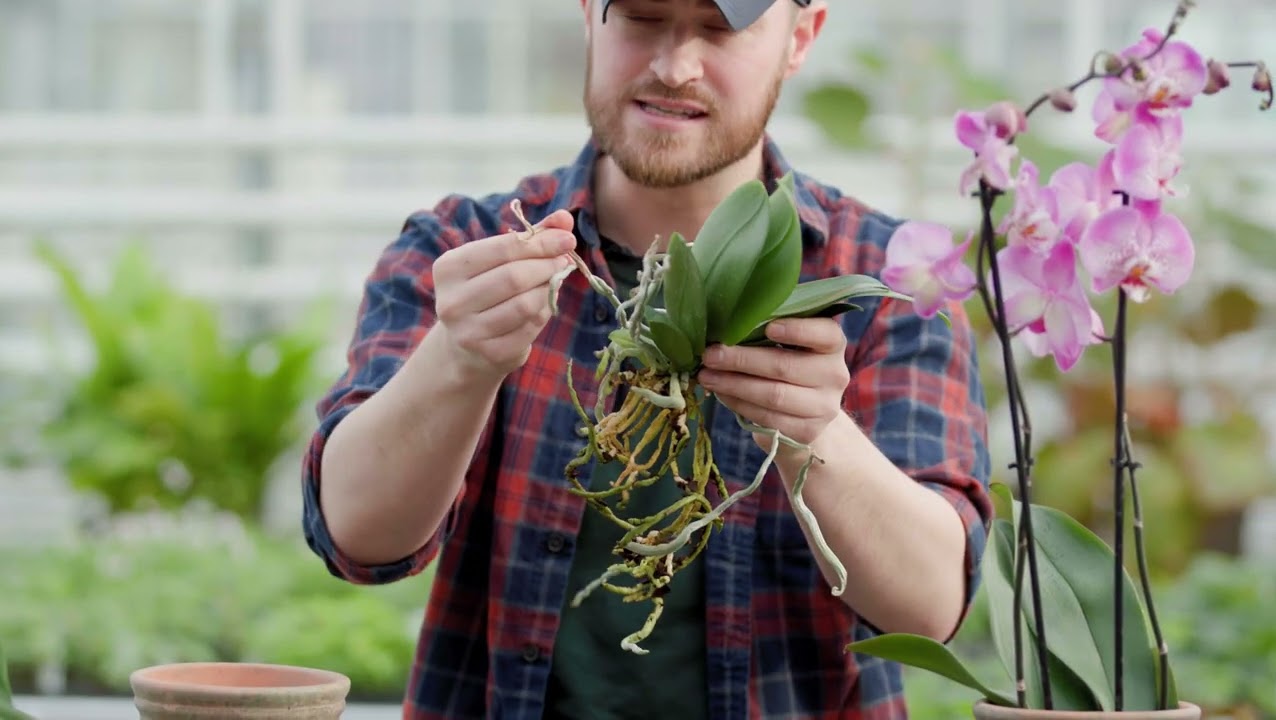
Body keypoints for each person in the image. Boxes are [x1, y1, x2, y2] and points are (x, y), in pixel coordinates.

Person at [300, 0, 993, 717]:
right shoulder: (474, 252)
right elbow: (357, 538)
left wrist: (817, 432)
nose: (674, 67)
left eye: (721, 30)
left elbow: (933, 608)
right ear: (587, 17)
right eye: (641, 15)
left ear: (801, 38)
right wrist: (458, 359)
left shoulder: (885, 284)